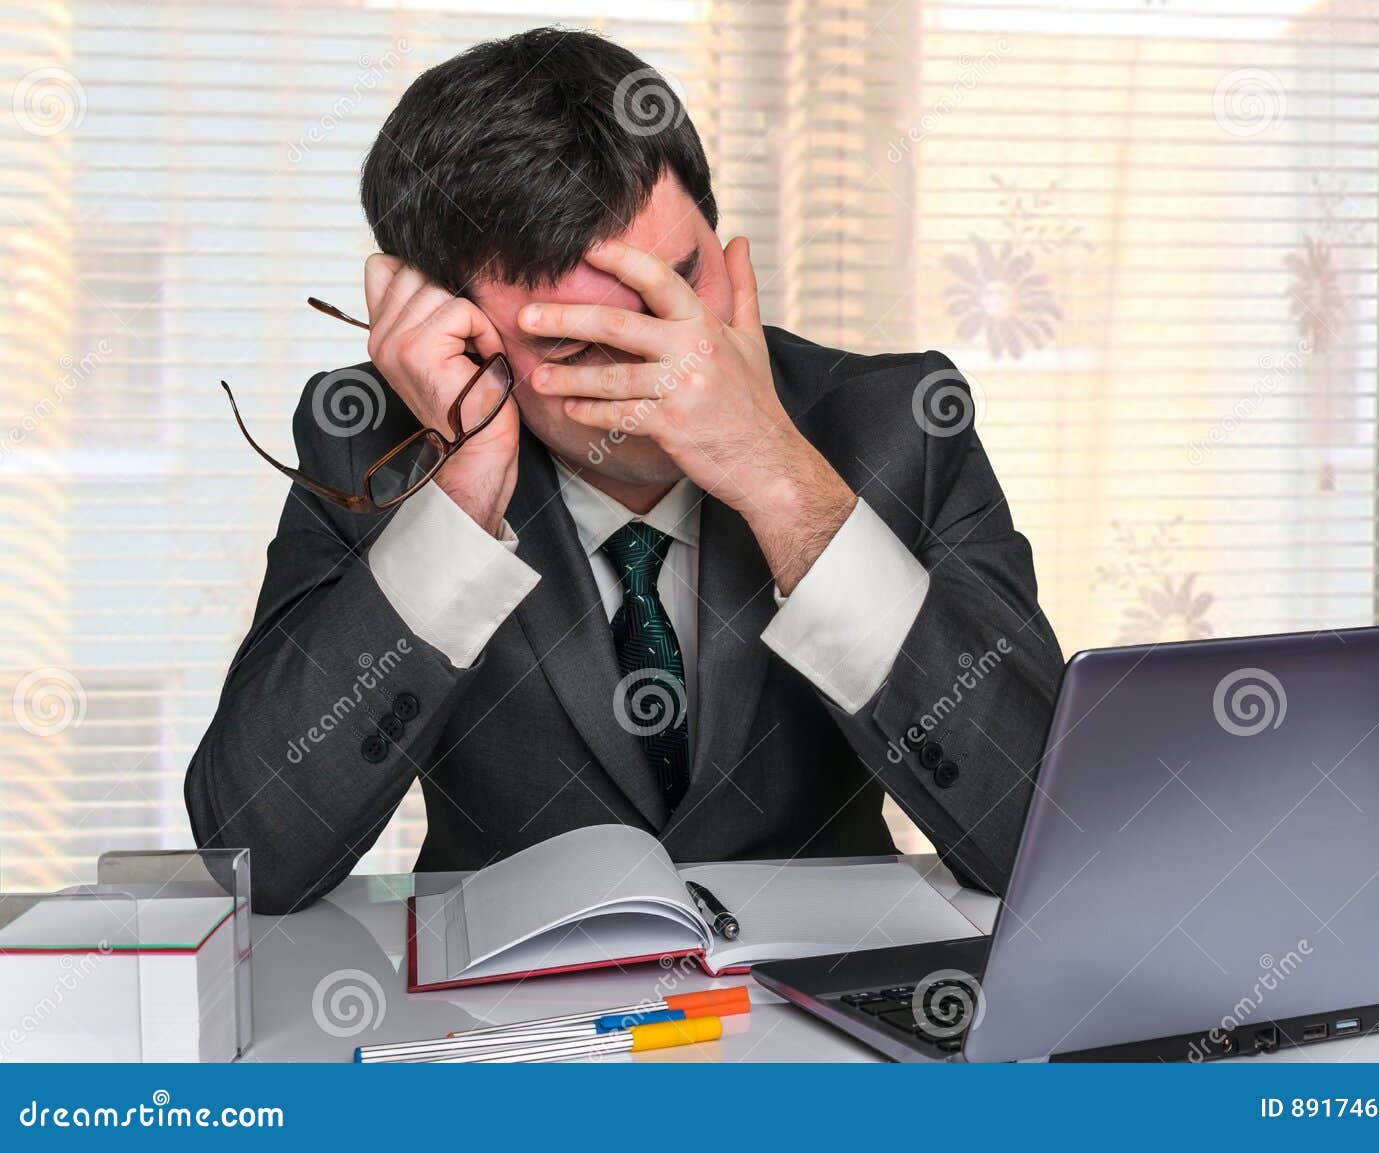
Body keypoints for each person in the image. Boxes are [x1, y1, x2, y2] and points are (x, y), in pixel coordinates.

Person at [185, 27, 1063, 915]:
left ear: (725, 249)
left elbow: (1052, 837)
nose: (666, 364)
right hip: (515, 1031)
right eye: (577, 343)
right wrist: (463, 492)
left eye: (680, 284)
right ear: (459, 333)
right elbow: (258, 852)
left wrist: (780, 480)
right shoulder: (377, 442)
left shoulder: (900, 423)